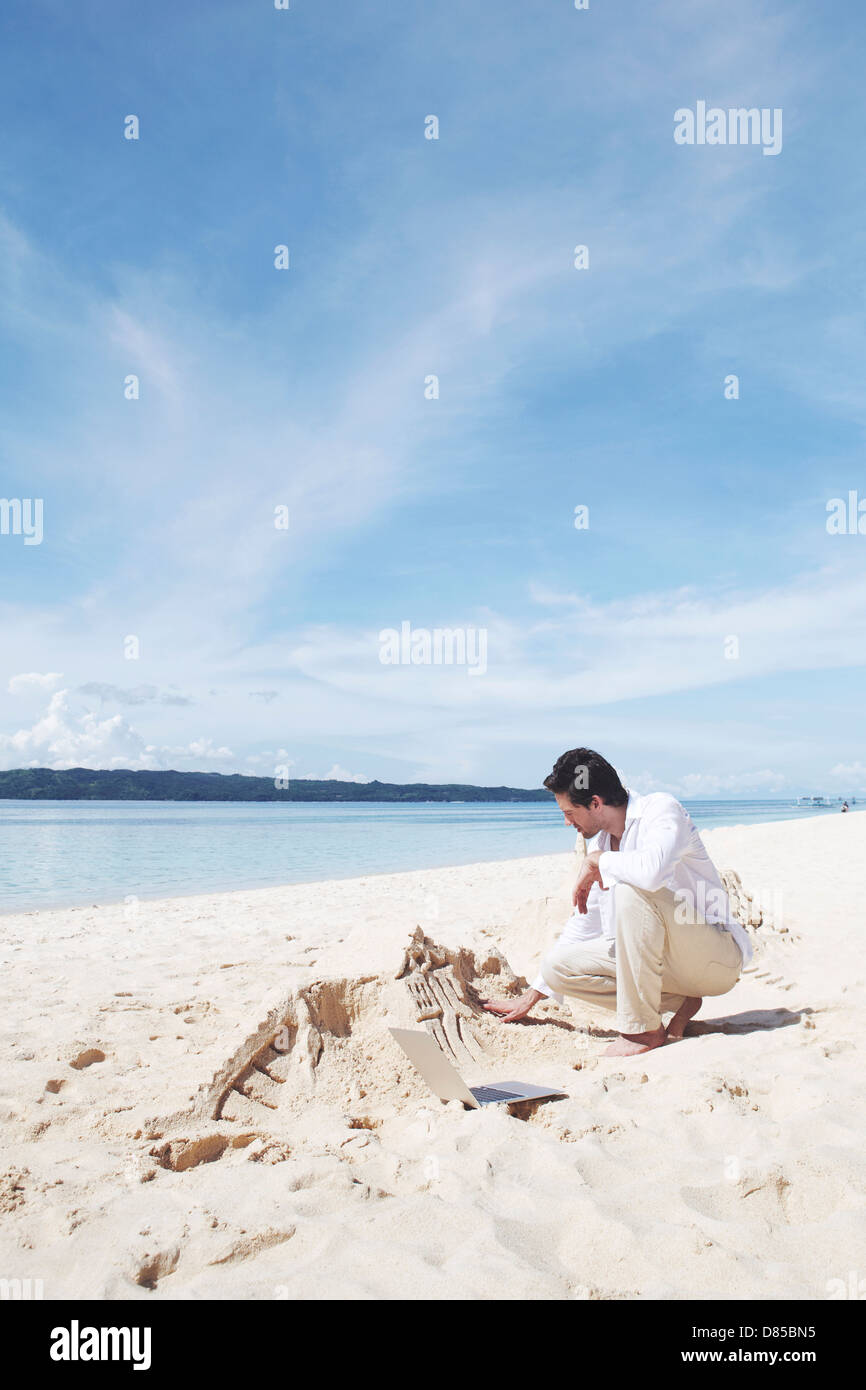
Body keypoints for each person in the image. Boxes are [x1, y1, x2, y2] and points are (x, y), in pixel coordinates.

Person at [483, 748, 752, 1057]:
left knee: (629, 889)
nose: (567, 823)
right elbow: (586, 920)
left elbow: (650, 874)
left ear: (595, 803)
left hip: (714, 956)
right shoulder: (601, 845)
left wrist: (599, 860)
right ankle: (680, 1001)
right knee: (557, 968)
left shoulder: (661, 810)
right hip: (670, 968)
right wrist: (532, 995)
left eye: (569, 813)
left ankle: (643, 1032)